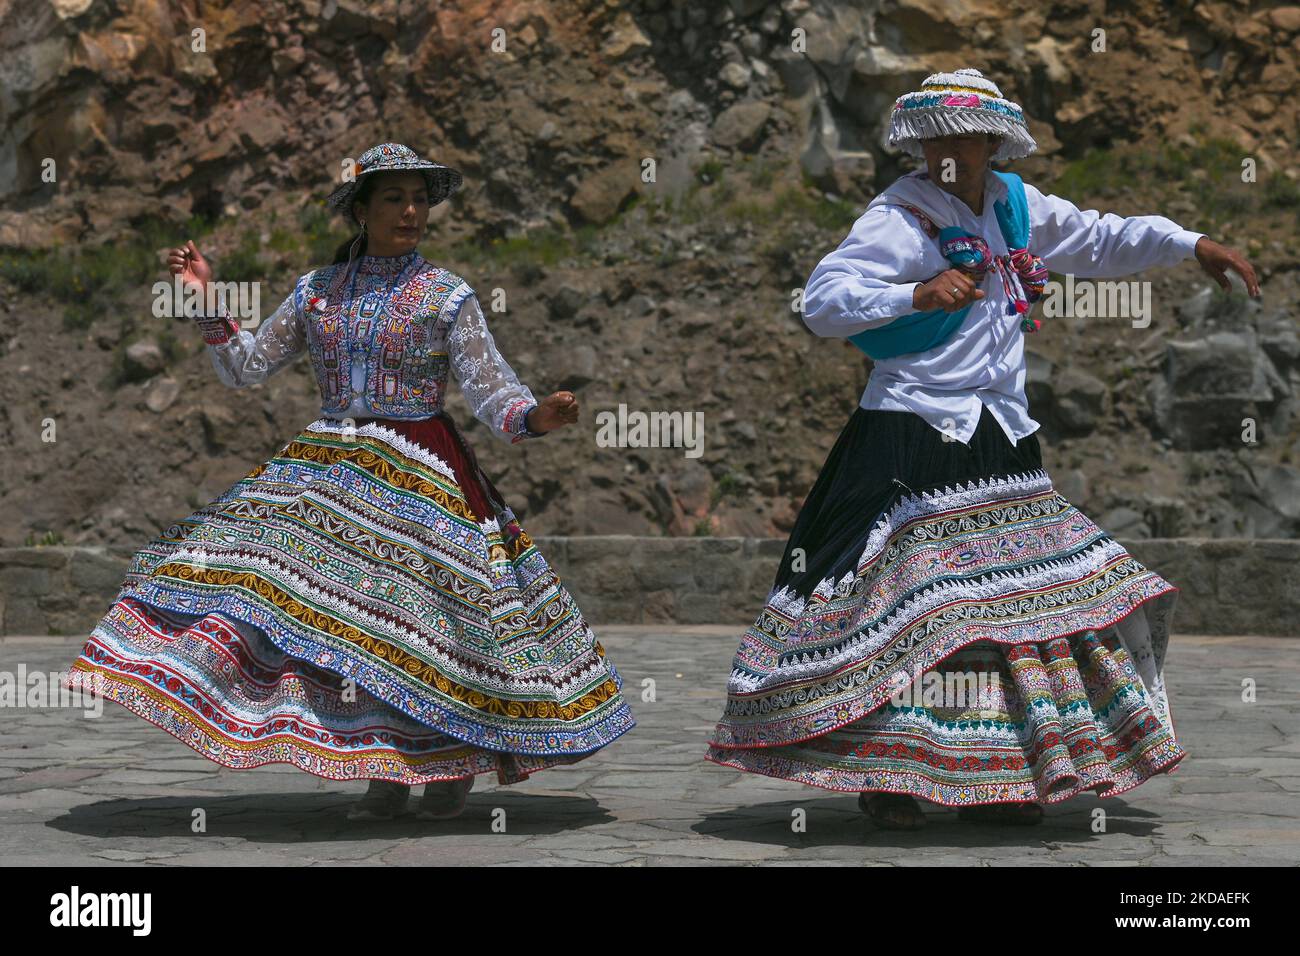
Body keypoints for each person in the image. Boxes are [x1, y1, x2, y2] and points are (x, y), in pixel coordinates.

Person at [705, 69, 1259, 829]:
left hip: (999, 434)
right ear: (919, 145)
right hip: (913, 434)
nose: (948, 151)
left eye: (963, 138)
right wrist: (913, 296)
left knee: (1018, 606)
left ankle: (1000, 777)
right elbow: (826, 300)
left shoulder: (1014, 208)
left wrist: (1188, 243)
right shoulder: (901, 217)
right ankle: (894, 774)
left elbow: (1100, 237)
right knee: (917, 607)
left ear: (992, 143)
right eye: (934, 139)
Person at [63, 142, 635, 822]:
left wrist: (537, 416)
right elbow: (246, 367)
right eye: (394, 198)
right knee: (322, 612)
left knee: (426, 626)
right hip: (330, 466)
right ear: (361, 210)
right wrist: (207, 298)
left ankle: (450, 761)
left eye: (420, 198)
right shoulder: (317, 292)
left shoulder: (448, 295)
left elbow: (491, 391)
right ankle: (386, 768)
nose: (411, 210)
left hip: (424, 471)